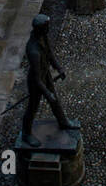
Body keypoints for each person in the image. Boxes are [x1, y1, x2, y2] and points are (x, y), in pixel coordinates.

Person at [19, 15, 80, 146]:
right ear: (40, 29)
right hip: (36, 82)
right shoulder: (33, 50)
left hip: (45, 74)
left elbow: (50, 54)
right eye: (46, 27)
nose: (49, 29)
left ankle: (63, 122)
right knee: (32, 108)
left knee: (55, 101)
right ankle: (26, 134)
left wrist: (59, 68)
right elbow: (36, 79)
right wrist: (47, 94)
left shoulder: (43, 37)